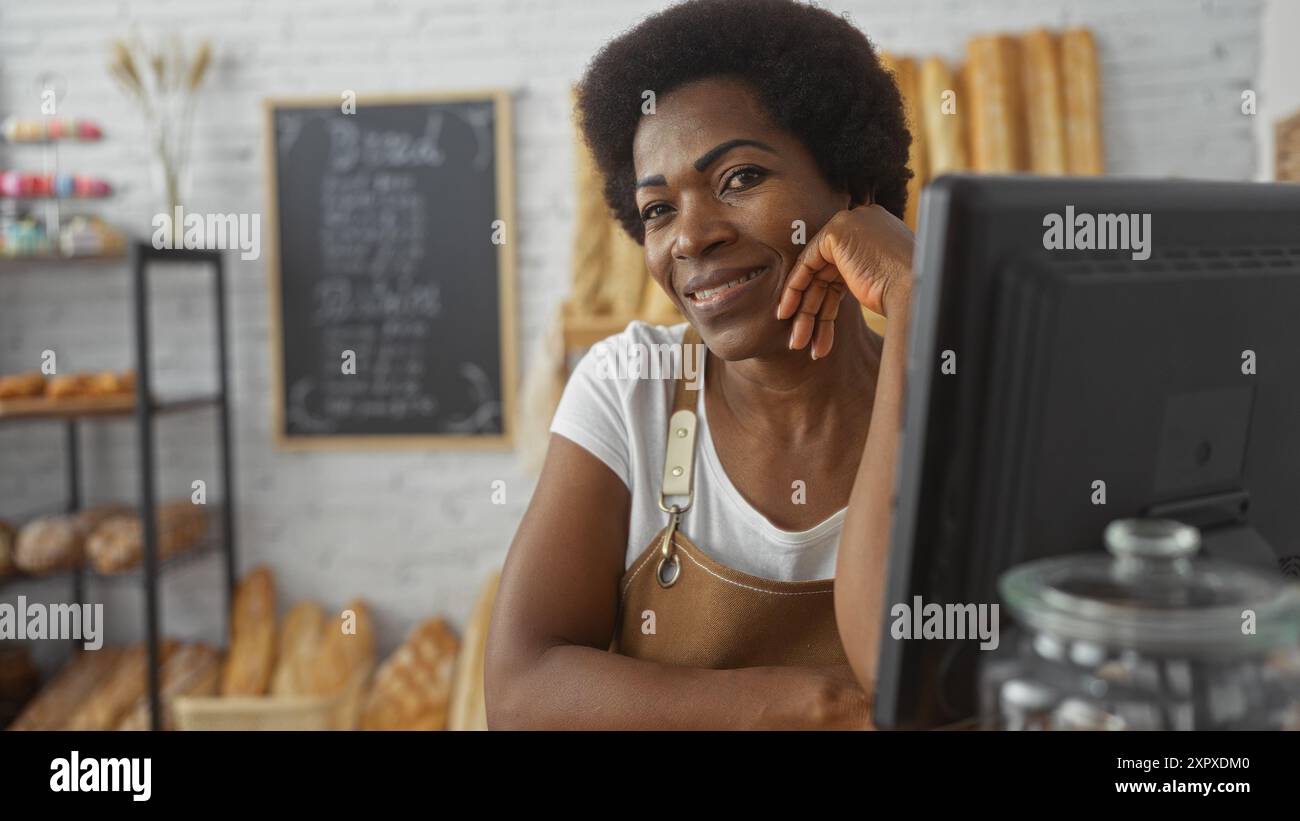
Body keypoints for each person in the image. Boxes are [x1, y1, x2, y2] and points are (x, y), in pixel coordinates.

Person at [486, 0, 916, 729]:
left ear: (853, 189)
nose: (690, 238)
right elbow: (523, 692)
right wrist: (822, 707)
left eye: (740, 178)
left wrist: (917, 296)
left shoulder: (964, 391)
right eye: (657, 209)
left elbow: (892, 653)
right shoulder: (630, 389)